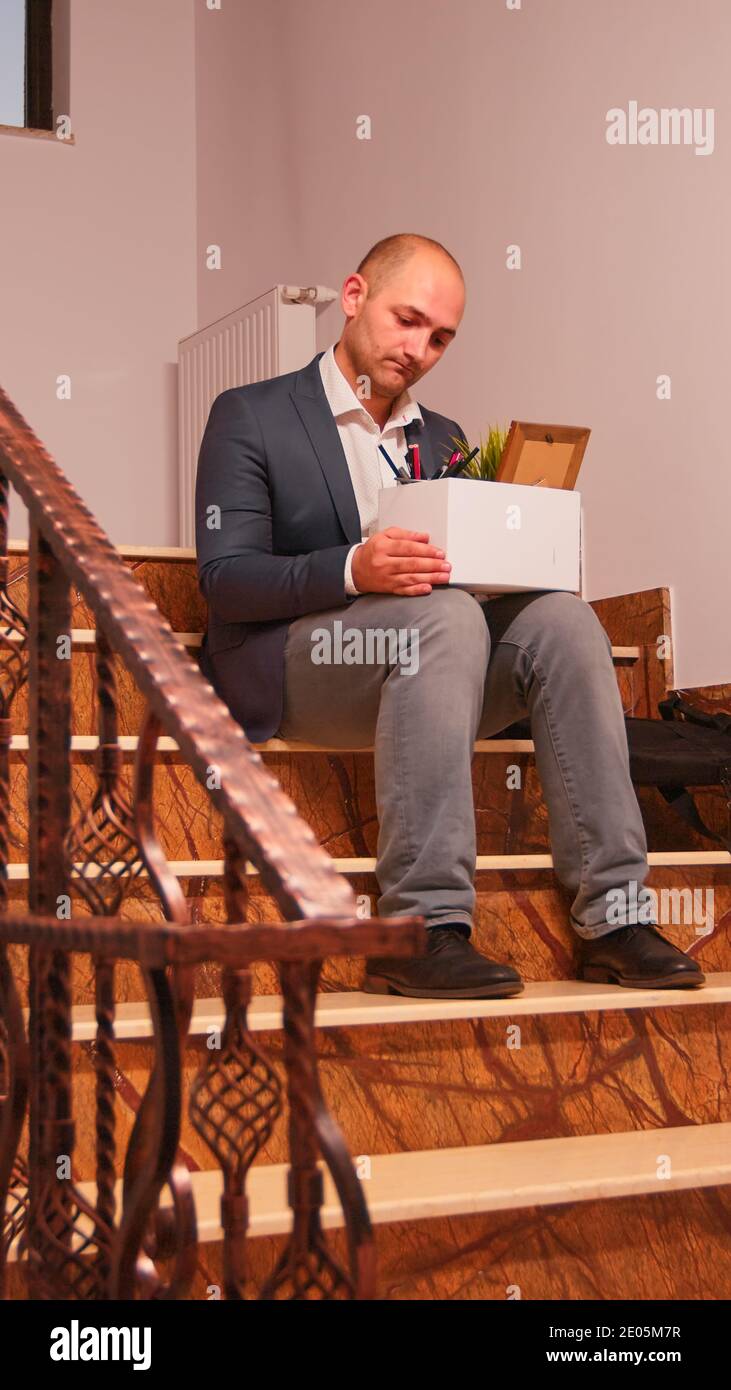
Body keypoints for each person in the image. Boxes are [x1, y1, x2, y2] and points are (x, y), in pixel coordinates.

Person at [195, 232, 704, 999]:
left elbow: (463, 584)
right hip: (292, 661)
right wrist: (351, 566)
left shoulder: (445, 439)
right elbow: (226, 580)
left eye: (439, 338)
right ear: (355, 296)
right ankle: (420, 930)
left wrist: (522, 552)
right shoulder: (251, 414)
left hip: (432, 657)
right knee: (441, 622)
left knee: (563, 622)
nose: (419, 349)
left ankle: (615, 918)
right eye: (406, 321)